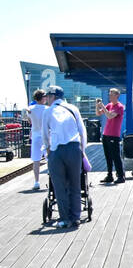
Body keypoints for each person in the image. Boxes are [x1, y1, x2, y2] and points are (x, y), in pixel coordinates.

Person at [41, 86, 88, 229]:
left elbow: (45, 134)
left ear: (53, 96)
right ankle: (76, 218)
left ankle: (64, 219)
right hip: (74, 148)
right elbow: (82, 131)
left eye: (48, 96)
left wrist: (48, 150)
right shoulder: (73, 108)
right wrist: (82, 150)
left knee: (59, 186)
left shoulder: (48, 111)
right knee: (75, 184)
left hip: (57, 150)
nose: (46, 99)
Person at [98, 88, 126, 184]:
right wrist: (97, 106)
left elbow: (110, 115)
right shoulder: (109, 105)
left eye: (111, 94)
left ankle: (121, 176)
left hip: (114, 135)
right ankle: (109, 175)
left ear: (117, 95)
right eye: (109, 94)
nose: (109, 96)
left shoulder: (119, 106)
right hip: (106, 134)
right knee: (108, 156)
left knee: (116, 156)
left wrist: (102, 106)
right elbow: (98, 113)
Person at [27, 90, 48, 191]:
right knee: (49, 158)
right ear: (42, 98)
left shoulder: (30, 109)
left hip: (35, 135)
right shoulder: (47, 109)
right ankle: (53, 180)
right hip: (46, 135)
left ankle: (36, 182)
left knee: (36, 160)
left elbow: (29, 120)